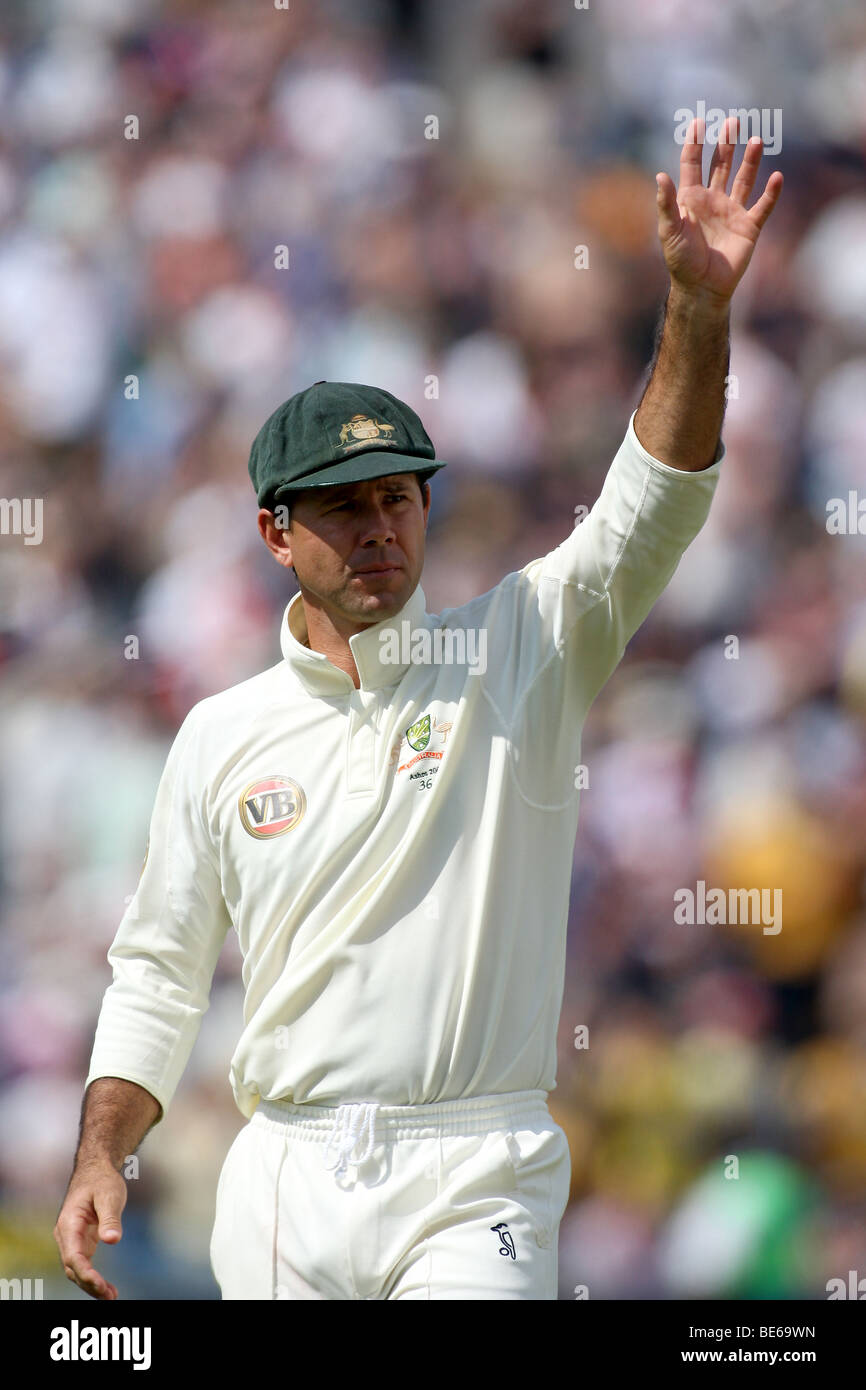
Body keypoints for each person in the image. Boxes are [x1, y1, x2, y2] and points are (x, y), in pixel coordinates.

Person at [54, 118, 782, 1300]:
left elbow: (649, 506)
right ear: (274, 533)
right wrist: (102, 1151)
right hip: (284, 1175)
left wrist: (697, 309)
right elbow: (159, 973)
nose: (380, 527)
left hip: (476, 1169)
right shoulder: (220, 734)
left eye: (398, 497)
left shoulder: (522, 648)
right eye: (342, 507)